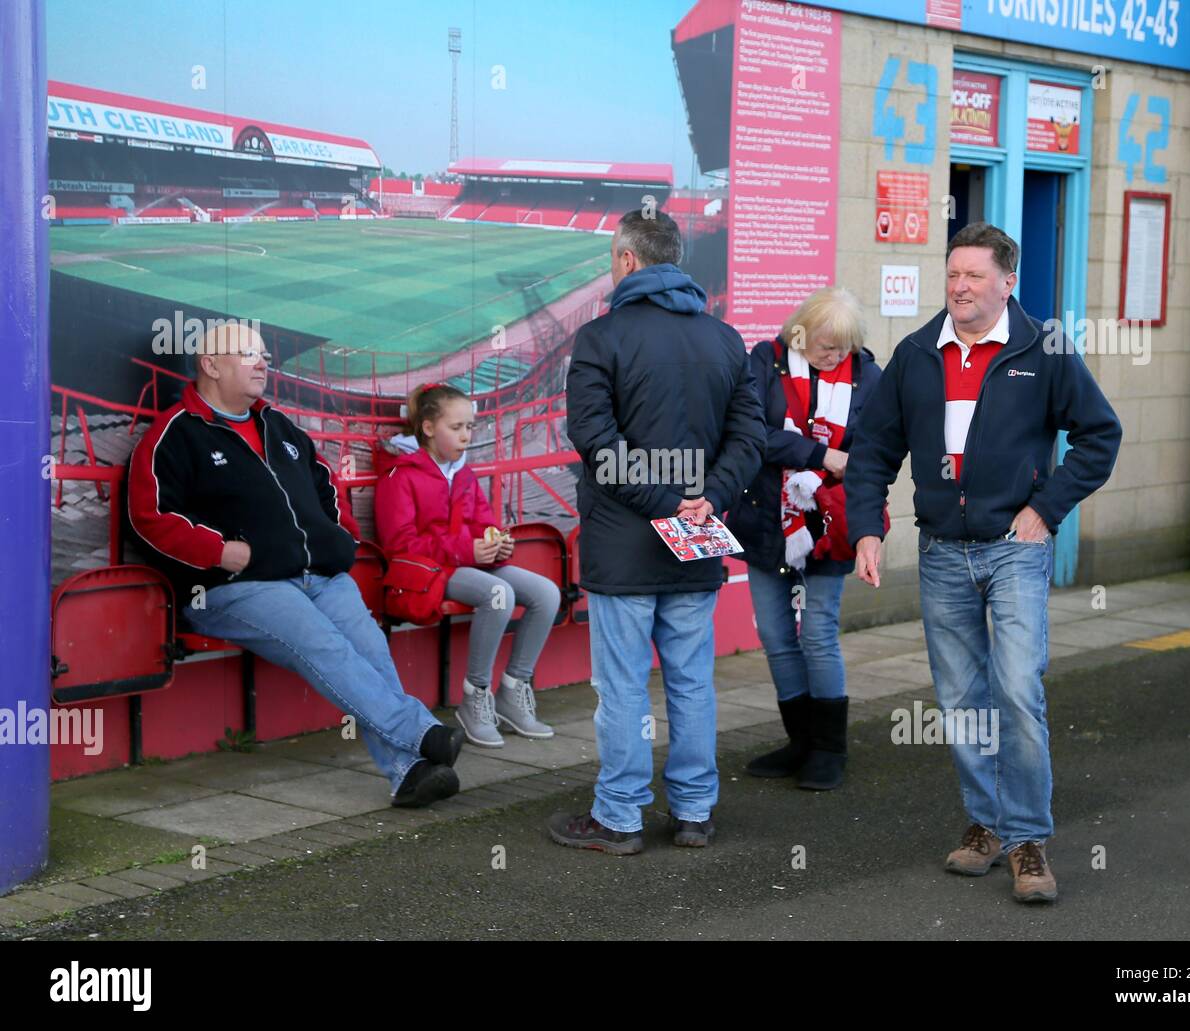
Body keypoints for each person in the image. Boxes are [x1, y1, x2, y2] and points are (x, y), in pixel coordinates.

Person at [845, 222, 1122, 903]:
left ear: (1007, 281)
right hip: (942, 550)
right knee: (962, 699)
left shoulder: (1043, 347)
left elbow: (1099, 434)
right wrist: (867, 529)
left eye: (974, 275)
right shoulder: (916, 355)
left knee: (1018, 687)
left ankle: (1028, 838)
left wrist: (1046, 509)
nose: (960, 286)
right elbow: (874, 449)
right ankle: (985, 824)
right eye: (953, 274)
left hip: (1015, 549)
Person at [127, 323, 464, 807]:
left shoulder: (278, 425)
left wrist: (340, 538)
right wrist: (217, 551)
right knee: (325, 645)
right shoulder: (175, 433)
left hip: (319, 574)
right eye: (248, 354)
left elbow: (327, 487)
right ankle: (420, 732)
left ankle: (408, 771)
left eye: (264, 355)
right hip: (236, 587)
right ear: (211, 364)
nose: (263, 363)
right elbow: (150, 516)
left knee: (370, 647)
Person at [548, 208, 765, 854]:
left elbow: (595, 442)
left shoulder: (601, 338)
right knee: (692, 680)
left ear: (626, 261)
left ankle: (619, 815)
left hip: (625, 544)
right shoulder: (725, 339)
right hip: (696, 541)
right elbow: (748, 437)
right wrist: (706, 498)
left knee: (621, 685)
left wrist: (668, 502)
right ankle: (695, 811)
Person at [726, 287, 883, 791]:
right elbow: (753, 433)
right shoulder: (764, 361)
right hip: (766, 516)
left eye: (842, 347)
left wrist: (838, 472)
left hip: (830, 522)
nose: (834, 356)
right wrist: (821, 456)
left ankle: (829, 748)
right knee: (775, 635)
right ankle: (799, 740)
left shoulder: (866, 374)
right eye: (824, 346)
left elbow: (876, 450)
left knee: (817, 635)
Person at [373, 382, 560, 746]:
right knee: (498, 593)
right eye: (456, 427)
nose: (466, 435)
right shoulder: (401, 475)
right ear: (428, 429)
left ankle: (512, 690)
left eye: (469, 427)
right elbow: (400, 545)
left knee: (547, 593)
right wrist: (467, 550)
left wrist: (496, 542)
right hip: (428, 571)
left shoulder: (463, 472)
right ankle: (475, 698)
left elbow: (482, 521)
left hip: (467, 562)